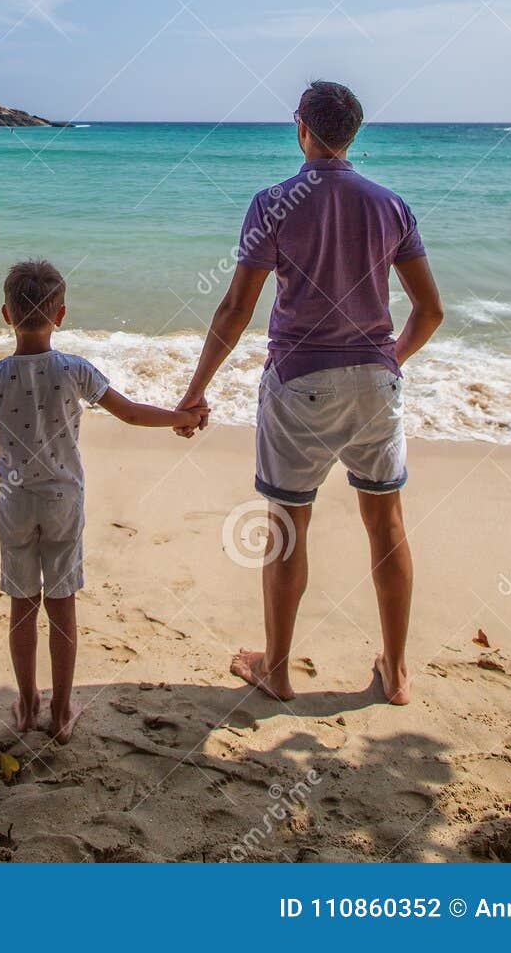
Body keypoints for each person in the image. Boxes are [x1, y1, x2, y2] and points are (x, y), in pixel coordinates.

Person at [174, 81, 443, 707]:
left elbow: (236, 309)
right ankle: (396, 670)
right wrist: (389, 360)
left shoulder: (272, 204)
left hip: (299, 385)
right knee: (386, 522)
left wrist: (195, 392)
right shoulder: (391, 206)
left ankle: (277, 670)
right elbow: (429, 310)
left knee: (288, 527)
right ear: (354, 133)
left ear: (301, 127)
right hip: (375, 383)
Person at [0, 259, 202, 743]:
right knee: (62, 606)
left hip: (15, 505)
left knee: (22, 606)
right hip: (64, 502)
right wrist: (179, 417)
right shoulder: (74, 370)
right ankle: (62, 710)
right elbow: (129, 413)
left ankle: (27, 705)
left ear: (6, 314)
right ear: (60, 314)